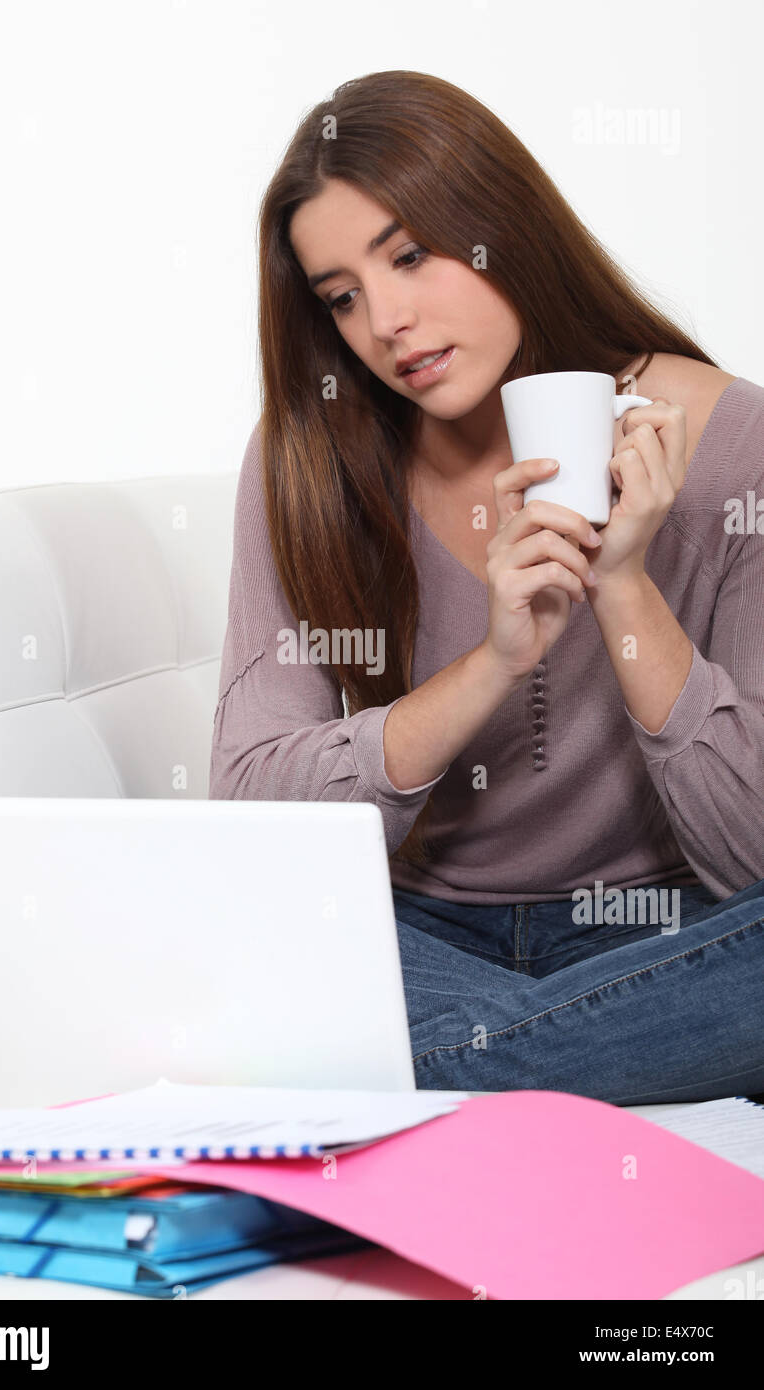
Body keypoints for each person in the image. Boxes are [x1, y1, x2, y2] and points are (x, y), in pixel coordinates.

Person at [209, 70, 764, 1102]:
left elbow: (749, 856)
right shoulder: (308, 458)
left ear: (499, 224)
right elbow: (250, 811)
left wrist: (624, 585)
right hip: (413, 936)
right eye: (340, 296)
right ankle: (579, 1064)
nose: (385, 322)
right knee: (210, 929)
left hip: (665, 934)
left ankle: (448, 1073)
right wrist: (493, 662)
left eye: (409, 255)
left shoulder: (731, 445)